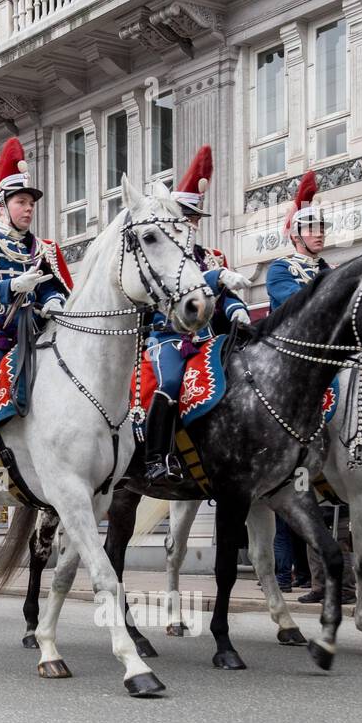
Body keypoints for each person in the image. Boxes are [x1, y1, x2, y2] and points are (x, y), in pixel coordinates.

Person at [0, 137, 73, 490]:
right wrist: (13, 287)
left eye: (31, 203)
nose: (28, 209)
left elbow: (51, 285)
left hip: (32, 331)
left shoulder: (40, 248)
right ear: (2, 207)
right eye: (21, 202)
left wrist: (53, 300)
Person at [264, 170, 355, 605]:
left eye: (323, 227)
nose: (320, 234)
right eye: (312, 227)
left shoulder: (333, 269)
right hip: (302, 365)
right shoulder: (282, 269)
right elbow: (295, 310)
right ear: (296, 234)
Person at [142, 146, 252, 482]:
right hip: (169, 337)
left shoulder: (213, 256)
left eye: (194, 219)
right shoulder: (162, 257)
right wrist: (215, 278)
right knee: (172, 381)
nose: (191, 225)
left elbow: (227, 297)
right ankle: (156, 457)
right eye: (185, 217)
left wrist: (238, 311)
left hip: (212, 341)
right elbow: (182, 290)